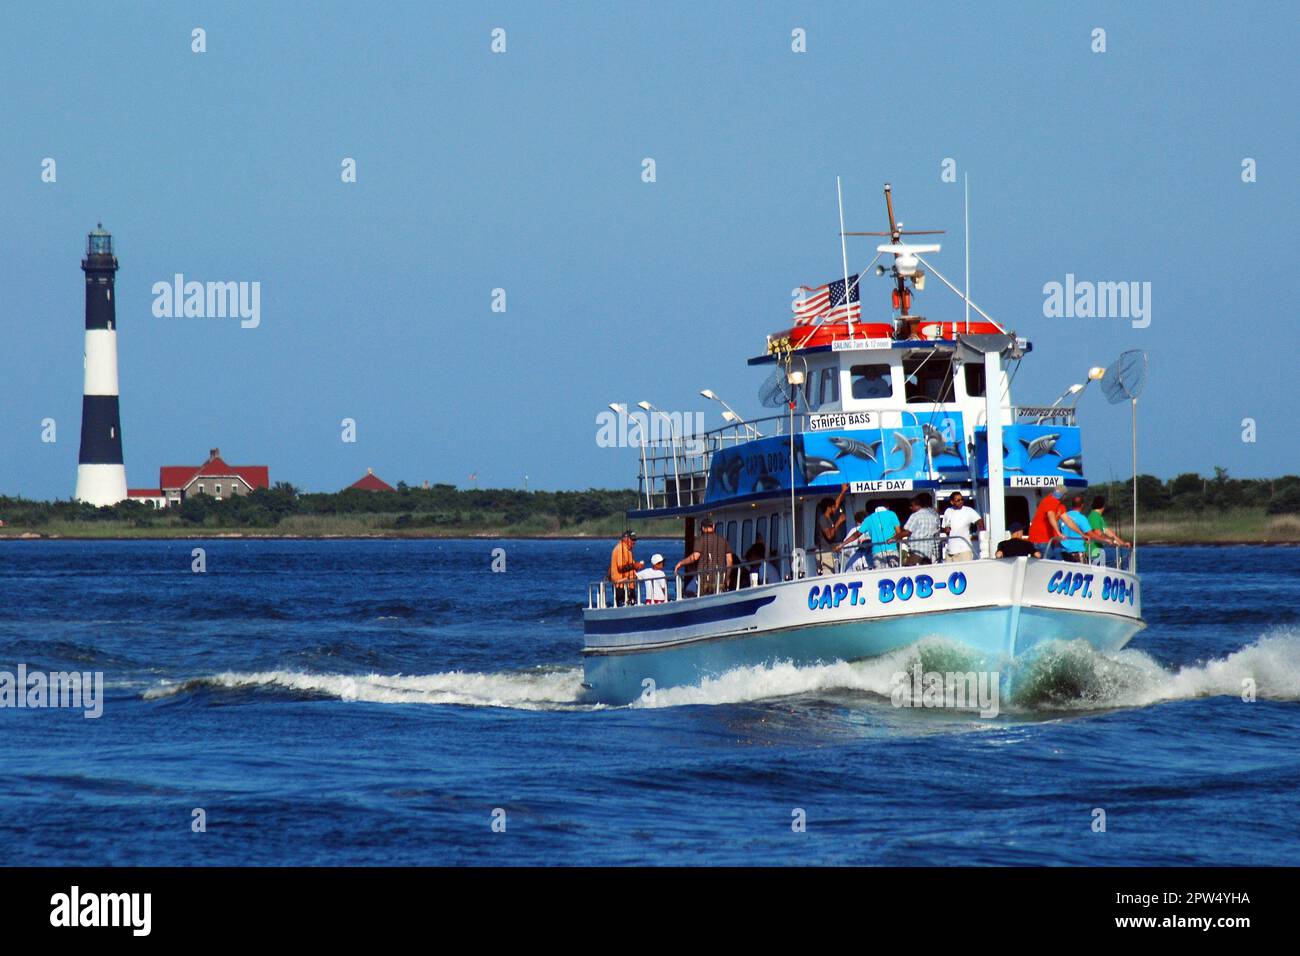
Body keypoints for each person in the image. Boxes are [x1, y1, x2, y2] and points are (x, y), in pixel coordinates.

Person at [675, 517, 731, 596]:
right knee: (719, 595)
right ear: (713, 526)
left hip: (704, 578)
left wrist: (680, 563)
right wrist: (727, 577)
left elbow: (695, 557)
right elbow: (729, 561)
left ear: (703, 528)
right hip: (720, 577)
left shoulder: (700, 540)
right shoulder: (724, 541)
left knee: (701, 596)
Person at [815, 485, 849, 574]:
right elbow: (829, 536)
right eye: (833, 507)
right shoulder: (823, 519)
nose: (835, 508)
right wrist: (839, 522)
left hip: (829, 551)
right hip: (824, 553)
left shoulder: (829, 516)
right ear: (828, 508)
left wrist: (843, 491)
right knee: (828, 575)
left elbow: (837, 503)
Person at [940, 491, 983, 562]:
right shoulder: (948, 511)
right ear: (952, 502)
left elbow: (979, 521)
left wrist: (980, 532)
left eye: (962, 499)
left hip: (964, 550)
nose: (961, 502)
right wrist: (945, 530)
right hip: (950, 549)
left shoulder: (969, 510)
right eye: (958, 500)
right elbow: (944, 527)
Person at [899, 493, 940, 565]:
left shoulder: (916, 515)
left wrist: (894, 538)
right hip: (929, 552)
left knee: (909, 570)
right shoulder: (934, 515)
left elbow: (907, 532)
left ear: (919, 505)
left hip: (917, 551)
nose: (910, 508)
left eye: (911, 506)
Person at [1028, 484, 1068, 557]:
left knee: (1058, 559)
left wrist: (1082, 534)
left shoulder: (1060, 506)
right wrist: (1059, 533)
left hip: (1051, 540)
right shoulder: (1050, 501)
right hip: (1042, 540)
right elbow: (1051, 517)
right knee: (1052, 561)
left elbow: (1068, 521)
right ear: (1064, 496)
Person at [1086, 496, 1129, 563]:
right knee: (1098, 571)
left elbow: (1108, 532)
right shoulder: (1094, 516)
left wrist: (1123, 543)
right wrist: (1111, 541)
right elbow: (1097, 532)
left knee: (1101, 570)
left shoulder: (1099, 517)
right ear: (1103, 506)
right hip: (1093, 551)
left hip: (1098, 552)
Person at [1058, 495, 1100, 563]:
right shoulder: (1081, 518)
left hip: (1064, 552)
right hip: (1077, 551)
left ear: (1072, 504)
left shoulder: (1063, 517)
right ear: (1082, 505)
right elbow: (1090, 534)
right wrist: (1106, 540)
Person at [608, 530, 643, 605]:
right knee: (623, 605)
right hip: (621, 586)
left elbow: (630, 565)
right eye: (632, 539)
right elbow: (620, 568)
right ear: (625, 539)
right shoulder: (620, 549)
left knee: (632, 605)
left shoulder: (628, 550)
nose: (634, 542)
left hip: (629, 584)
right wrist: (634, 566)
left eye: (635, 540)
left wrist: (637, 566)